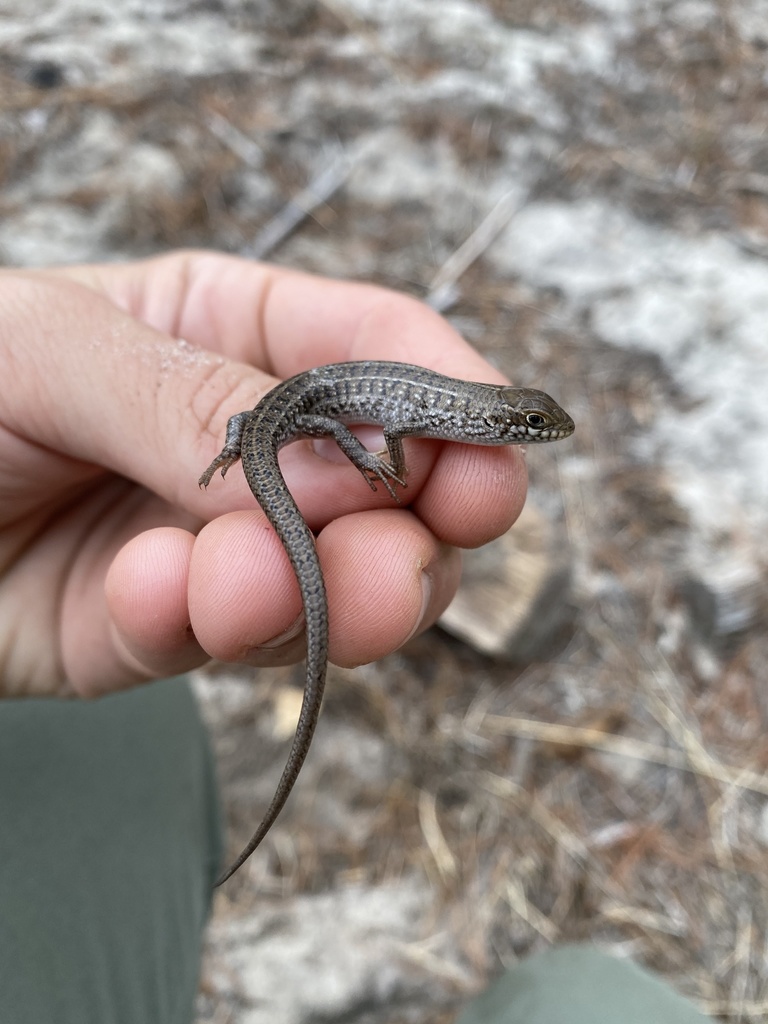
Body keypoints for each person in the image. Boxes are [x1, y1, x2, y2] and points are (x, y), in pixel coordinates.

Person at [0, 253, 706, 1022]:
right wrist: (368, 457)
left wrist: (257, 442)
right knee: (312, 530)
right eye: (533, 428)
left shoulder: (461, 412)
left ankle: (255, 446)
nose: (539, 437)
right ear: (499, 421)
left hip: (282, 422)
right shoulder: (442, 413)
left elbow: (385, 420)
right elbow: (390, 422)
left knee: (304, 575)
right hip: (303, 414)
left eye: (536, 427)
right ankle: (268, 448)